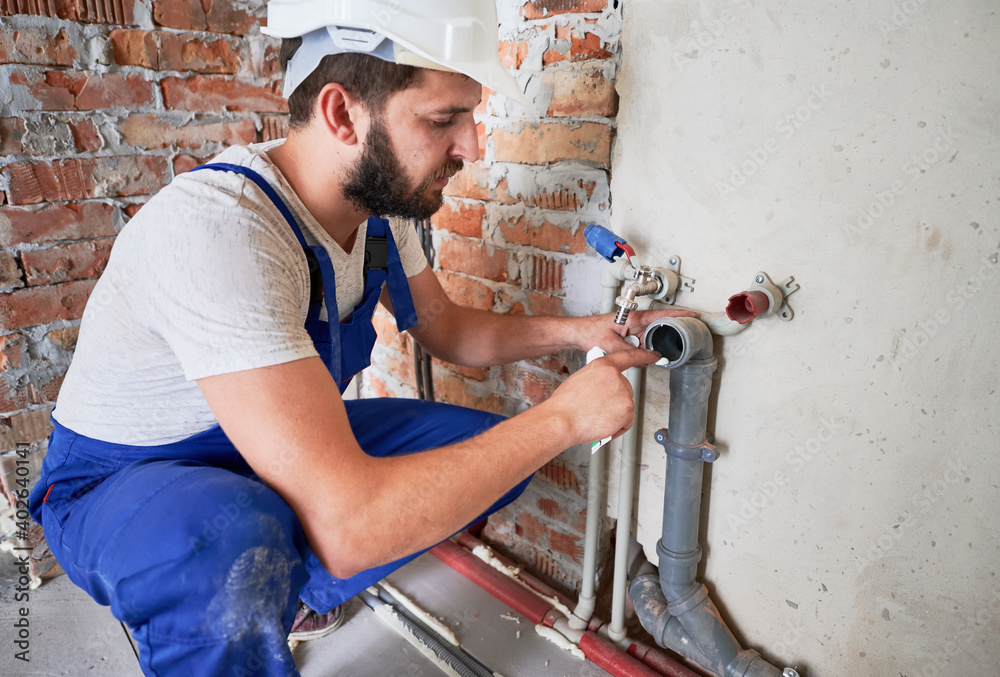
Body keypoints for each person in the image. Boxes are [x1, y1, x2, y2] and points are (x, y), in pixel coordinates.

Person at [28, 1, 685, 674]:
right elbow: (348, 531)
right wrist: (565, 418)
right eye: (443, 120)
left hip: (258, 447)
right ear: (342, 114)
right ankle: (234, 601)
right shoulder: (222, 231)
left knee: (483, 456)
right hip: (122, 479)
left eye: (470, 115)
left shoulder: (378, 208)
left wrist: (582, 332)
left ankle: (289, 585)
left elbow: (451, 330)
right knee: (229, 546)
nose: (472, 146)